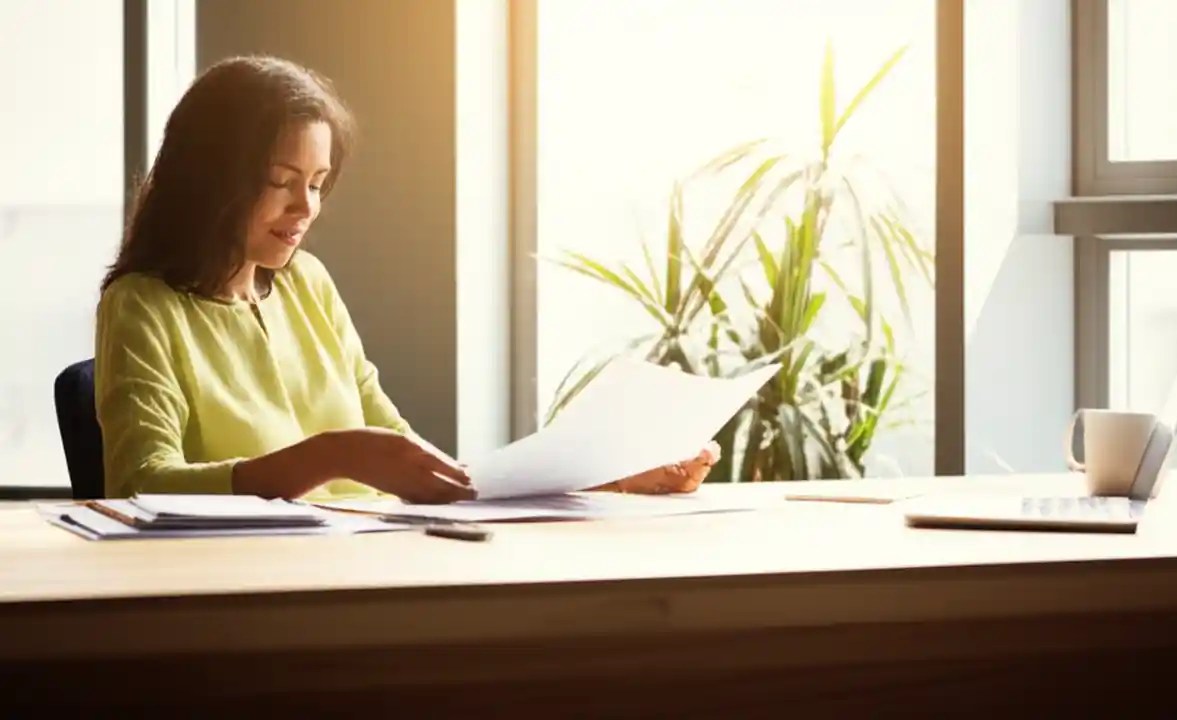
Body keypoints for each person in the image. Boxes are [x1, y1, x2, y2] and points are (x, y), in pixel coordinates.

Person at [95, 55, 719, 503]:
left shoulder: (308, 284)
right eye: (281, 182)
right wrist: (329, 455)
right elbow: (139, 484)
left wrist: (611, 477)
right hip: (249, 593)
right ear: (211, 178)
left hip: (368, 568)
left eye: (316, 185)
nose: (306, 208)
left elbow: (405, 453)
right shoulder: (141, 306)